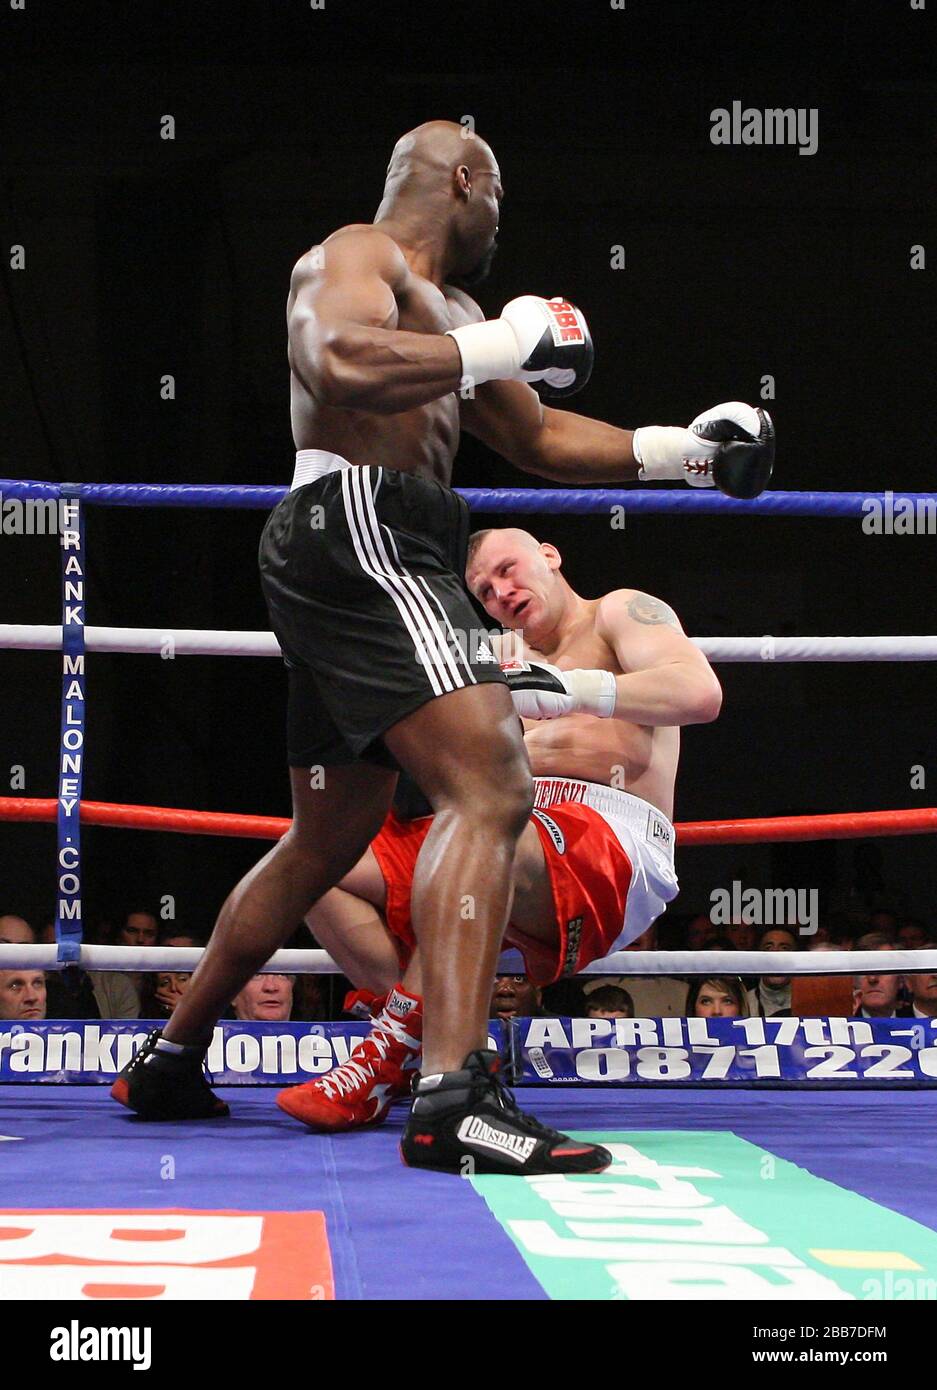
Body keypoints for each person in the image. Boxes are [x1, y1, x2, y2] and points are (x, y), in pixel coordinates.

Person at [113, 121, 769, 1177]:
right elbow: (334, 360)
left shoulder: (457, 318)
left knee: (326, 836)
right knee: (491, 787)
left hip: (377, 539)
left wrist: (680, 453)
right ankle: (454, 1095)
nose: (500, 225)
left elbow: (542, 437)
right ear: (465, 181)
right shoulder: (353, 255)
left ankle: (171, 1052)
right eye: (498, 199)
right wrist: (509, 341)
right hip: (363, 522)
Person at [277, 523, 721, 1131]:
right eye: (483, 591)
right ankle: (429, 1038)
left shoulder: (617, 612)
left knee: (490, 832)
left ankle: (382, 1057)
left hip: (613, 841)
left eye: (508, 570)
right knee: (313, 862)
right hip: (498, 822)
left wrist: (566, 694)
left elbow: (697, 693)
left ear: (549, 554)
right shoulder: (492, 659)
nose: (500, 592)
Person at [746, 926, 798, 1016]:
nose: (775, 954)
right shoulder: (745, 1003)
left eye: (784, 948)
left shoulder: (810, 1002)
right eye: (768, 948)